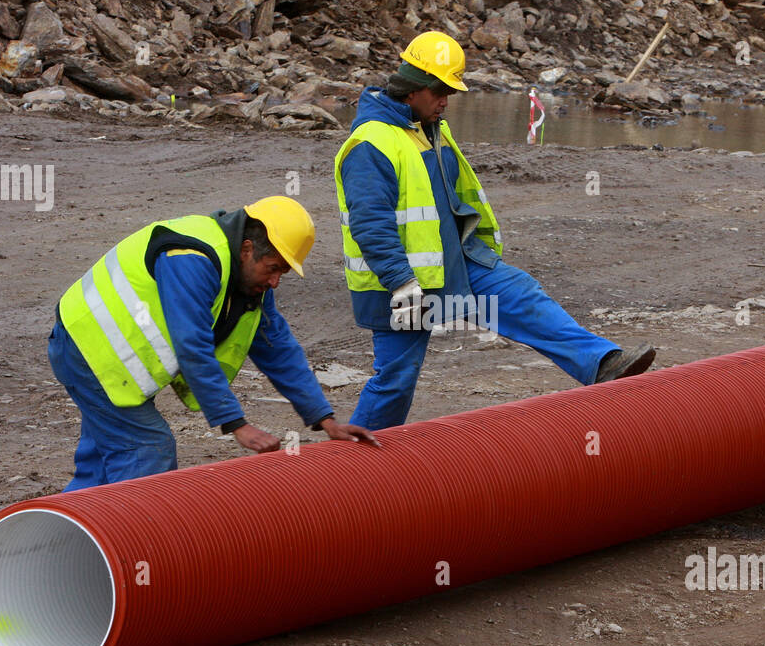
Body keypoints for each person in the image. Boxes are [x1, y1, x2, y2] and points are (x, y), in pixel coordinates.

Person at [333, 30, 656, 430]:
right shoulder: (371, 143)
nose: (445, 101)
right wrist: (401, 282)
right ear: (413, 89)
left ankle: (601, 363)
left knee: (521, 295)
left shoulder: (430, 128)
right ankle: (353, 460)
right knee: (396, 379)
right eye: (439, 91)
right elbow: (370, 221)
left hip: (457, 262)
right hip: (400, 286)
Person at [48, 196, 379, 490]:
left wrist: (324, 418)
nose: (276, 282)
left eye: (284, 273)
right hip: (89, 348)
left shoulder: (248, 282)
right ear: (248, 248)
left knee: (100, 471)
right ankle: (132, 551)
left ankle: (51, 546)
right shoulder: (192, 257)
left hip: (106, 354)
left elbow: (277, 346)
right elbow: (191, 344)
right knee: (146, 450)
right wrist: (235, 423)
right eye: (273, 268)